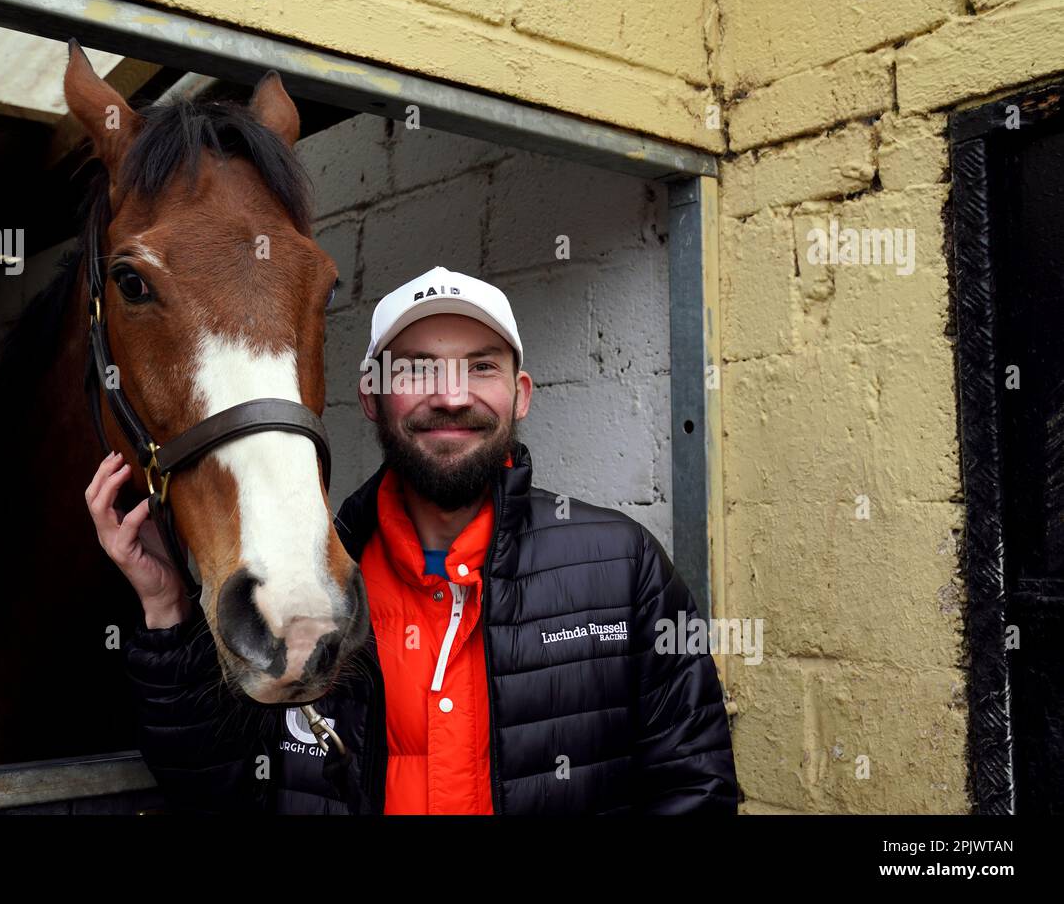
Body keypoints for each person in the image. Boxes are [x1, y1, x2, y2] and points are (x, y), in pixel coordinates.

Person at [85, 265, 739, 814]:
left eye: (480, 367)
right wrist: (167, 609)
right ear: (371, 395)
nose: (451, 396)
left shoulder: (622, 569)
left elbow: (695, 790)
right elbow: (217, 790)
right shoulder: (306, 586)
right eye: (418, 370)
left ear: (520, 395)